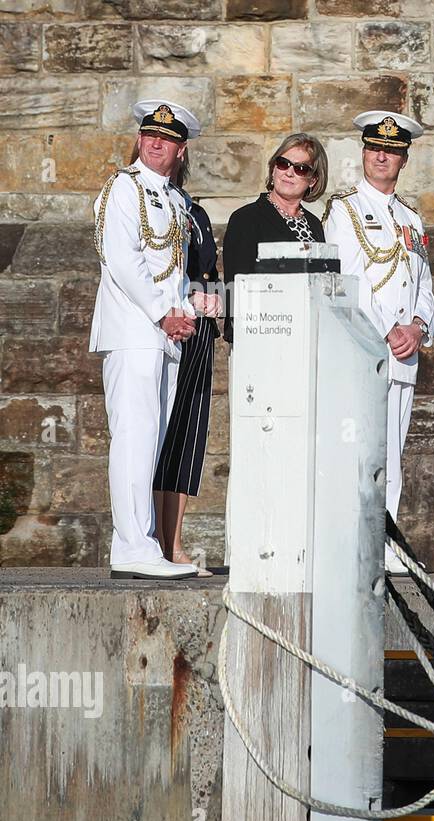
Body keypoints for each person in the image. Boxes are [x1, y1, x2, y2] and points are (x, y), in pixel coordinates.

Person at [90, 99, 202, 580]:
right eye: (150, 134)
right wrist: (162, 314)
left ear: (180, 149)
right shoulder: (123, 187)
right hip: (135, 330)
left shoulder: (175, 200)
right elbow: (124, 259)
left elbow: (174, 271)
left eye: (168, 138)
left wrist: (189, 307)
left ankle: (144, 542)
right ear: (140, 140)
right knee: (134, 437)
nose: (157, 142)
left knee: (151, 441)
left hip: (165, 335)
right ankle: (131, 546)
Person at [323, 112, 433, 574]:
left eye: (391, 150)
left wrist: (418, 326)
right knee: (364, 451)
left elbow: (423, 281)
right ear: (364, 153)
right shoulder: (344, 211)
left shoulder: (410, 217)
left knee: (392, 455)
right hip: (368, 350)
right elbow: (348, 281)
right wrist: (390, 327)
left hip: (403, 354)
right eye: (374, 148)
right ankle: (361, 541)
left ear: (403, 158)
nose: (381, 156)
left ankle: (383, 540)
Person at [152, 143, 221, 576]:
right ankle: (155, 544)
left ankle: (173, 544)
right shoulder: (143, 204)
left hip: (199, 332)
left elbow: (211, 274)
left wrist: (220, 302)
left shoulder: (195, 214)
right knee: (156, 437)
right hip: (165, 326)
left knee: (186, 438)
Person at [221, 133, 329, 333]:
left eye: (300, 169)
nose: (289, 172)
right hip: (263, 332)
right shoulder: (247, 219)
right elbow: (237, 288)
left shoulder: (314, 224)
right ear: (273, 168)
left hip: (309, 331)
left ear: (313, 179)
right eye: (283, 163)